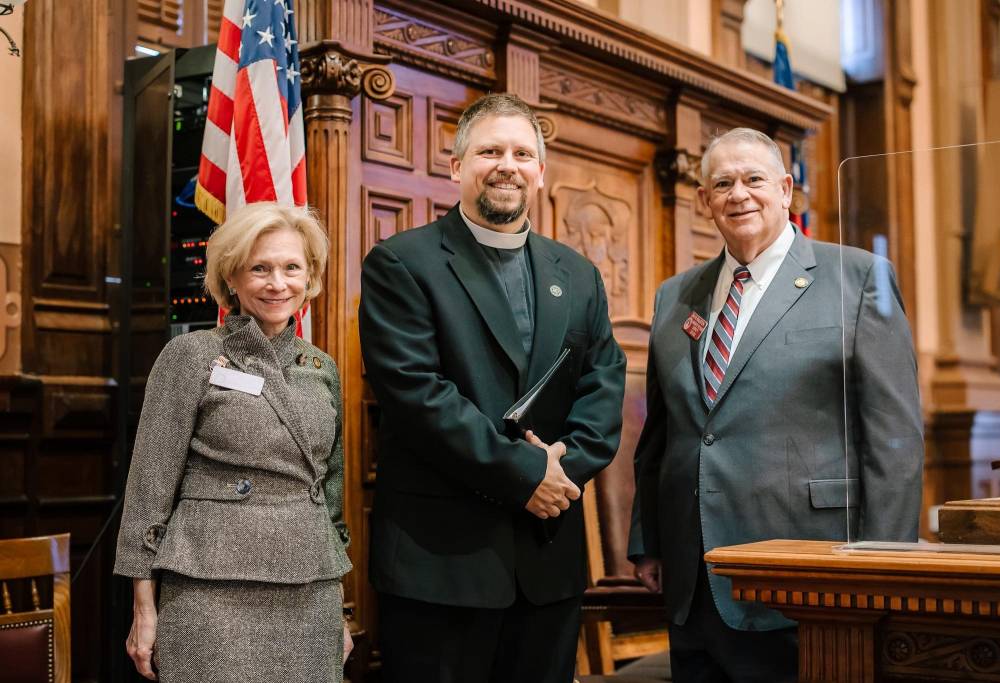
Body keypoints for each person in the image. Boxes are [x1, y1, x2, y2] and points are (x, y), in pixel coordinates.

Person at [628, 128, 923, 683]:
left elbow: (895, 440)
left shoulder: (858, 278)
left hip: (811, 576)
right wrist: (650, 543)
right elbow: (662, 434)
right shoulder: (675, 296)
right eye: (723, 184)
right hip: (694, 578)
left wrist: (885, 566)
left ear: (786, 189)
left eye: (753, 179)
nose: (738, 194)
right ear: (704, 200)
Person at [358, 93, 627, 683]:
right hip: (441, 564)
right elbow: (416, 394)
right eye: (490, 152)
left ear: (540, 171)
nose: (508, 165)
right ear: (457, 166)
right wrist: (527, 474)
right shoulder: (402, 263)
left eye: (522, 154)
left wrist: (562, 473)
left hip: (548, 556)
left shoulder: (578, 274)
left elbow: (603, 383)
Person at [114, 202, 353, 682]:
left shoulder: (321, 368)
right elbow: (148, 488)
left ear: (309, 277)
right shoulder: (190, 355)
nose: (277, 283)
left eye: (291, 268)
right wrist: (144, 607)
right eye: (260, 269)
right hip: (209, 590)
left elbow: (329, 495)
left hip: (310, 591)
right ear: (232, 277)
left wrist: (340, 607)